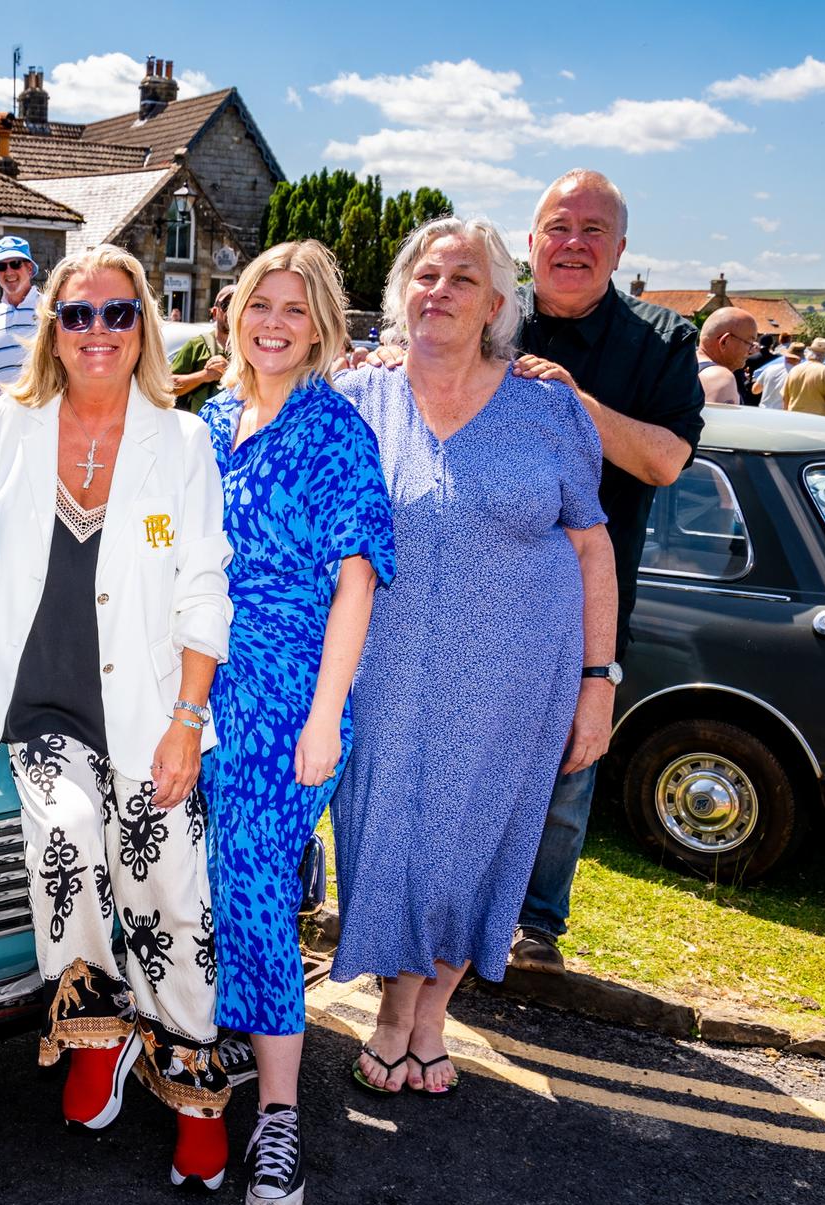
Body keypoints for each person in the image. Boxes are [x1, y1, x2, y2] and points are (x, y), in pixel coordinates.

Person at [0, 243, 235, 1192]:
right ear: (53, 329)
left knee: (166, 882)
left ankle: (193, 1084)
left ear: (143, 325)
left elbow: (204, 585)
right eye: (79, 314)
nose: (98, 331)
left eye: (119, 313)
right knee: (66, 843)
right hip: (38, 704)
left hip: (151, 709)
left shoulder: (182, 441)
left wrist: (188, 718)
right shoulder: (12, 424)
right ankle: (96, 1033)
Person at [333, 215, 615, 1103]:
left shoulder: (548, 407)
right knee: (390, 838)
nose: (439, 291)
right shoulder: (356, 396)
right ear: (401, 295)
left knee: (478, 843)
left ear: (496, 304)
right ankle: (395, 1009)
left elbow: (592, 547)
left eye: (461, 279)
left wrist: (598, 683)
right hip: (383, 672)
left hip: (515, 677)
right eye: (425, 275)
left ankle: (427, 1016)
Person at [198, 240, 393, 1205]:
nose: (272, 323)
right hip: (198, 685)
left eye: (293, 308)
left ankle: (278, 1117)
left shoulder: (334, 431)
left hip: (287, 696)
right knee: (210, 874)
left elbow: (357, 582)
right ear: (235, 314)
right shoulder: (210, 421)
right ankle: (225, 1034)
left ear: (319, 326)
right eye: (258, 305)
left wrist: (323, 718)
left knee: (255, 888)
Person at [502, 170, 702, 974]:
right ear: (531, 242)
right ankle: (453, 910)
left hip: (587, 596)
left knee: (567, 764)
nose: (574, 243)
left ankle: (536, 926)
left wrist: (570, 399)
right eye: (559, 227)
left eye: (593, 230)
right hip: (476, 587)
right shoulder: (491, 314)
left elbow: (665, 460)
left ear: (620, 249)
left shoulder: (661, 340)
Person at [0, 236, 42, 405]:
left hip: (43, 409)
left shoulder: (49, 309)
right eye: (1, 266)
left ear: (29, 268)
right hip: (3, 414)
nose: (9, 271)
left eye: (15, 264)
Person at [168, 286, 236, 414]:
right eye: (226, 306)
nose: (232, 312)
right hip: (200, 424)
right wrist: (204, 376)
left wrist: (231, 373)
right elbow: (167, 387)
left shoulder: (252, 350)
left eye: (238, 306)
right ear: (215, 312)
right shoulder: (197, 346)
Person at [696, 308, 758, 405]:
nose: (751, 352)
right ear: (724, 342)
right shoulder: (720, 378)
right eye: (749, 343)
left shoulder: (683, 364)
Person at [753, 342, 799, 409]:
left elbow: (755, 390)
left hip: (764, 410)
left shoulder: (770, 368)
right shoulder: (799, 374)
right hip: (782, 412)